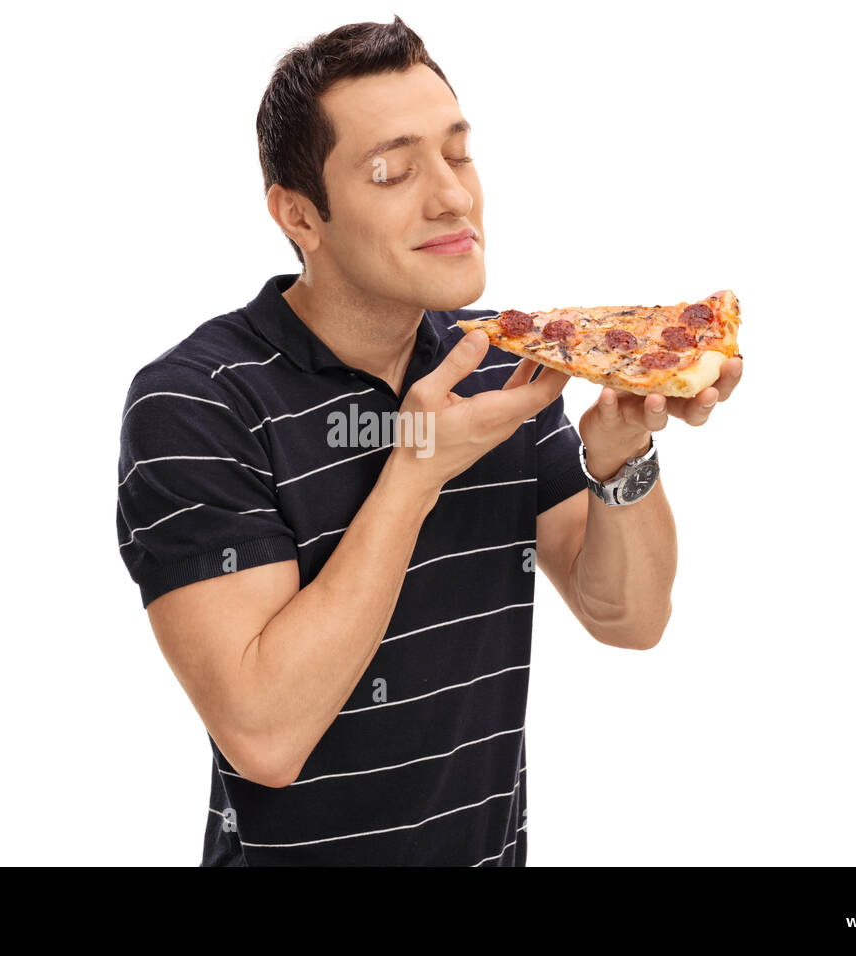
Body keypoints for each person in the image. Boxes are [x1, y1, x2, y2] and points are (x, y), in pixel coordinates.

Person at [115, 15, 743, 866]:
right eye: (392, 170)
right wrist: (416, 469)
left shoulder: (503, 364)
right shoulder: (196, 402)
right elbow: (265, 736)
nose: (453, 197)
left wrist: (619, 455)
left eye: (459, 152)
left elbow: (628, 619)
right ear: (300, 214)